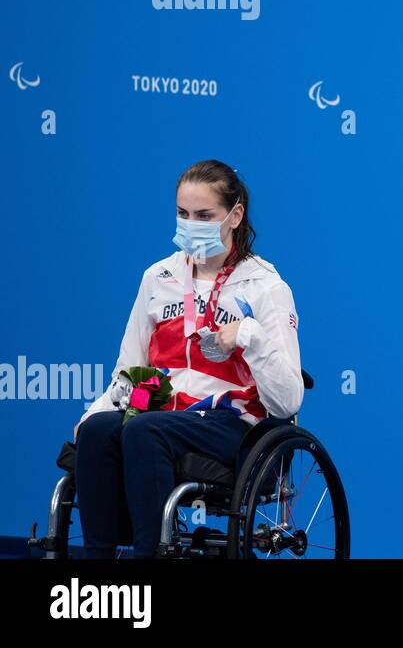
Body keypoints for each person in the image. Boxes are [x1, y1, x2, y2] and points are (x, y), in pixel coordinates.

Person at [72, 159, 303, 558]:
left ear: (235, 216)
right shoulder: (158, 278)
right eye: (183, 213)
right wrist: (94, 413)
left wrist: (249, 335)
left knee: (145, 431)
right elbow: (128, 372)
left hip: (231, 423)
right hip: (165, 411)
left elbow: (288, 400)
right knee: (97, 431)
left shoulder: (266, 286)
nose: (190, 224)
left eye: (203, 215)